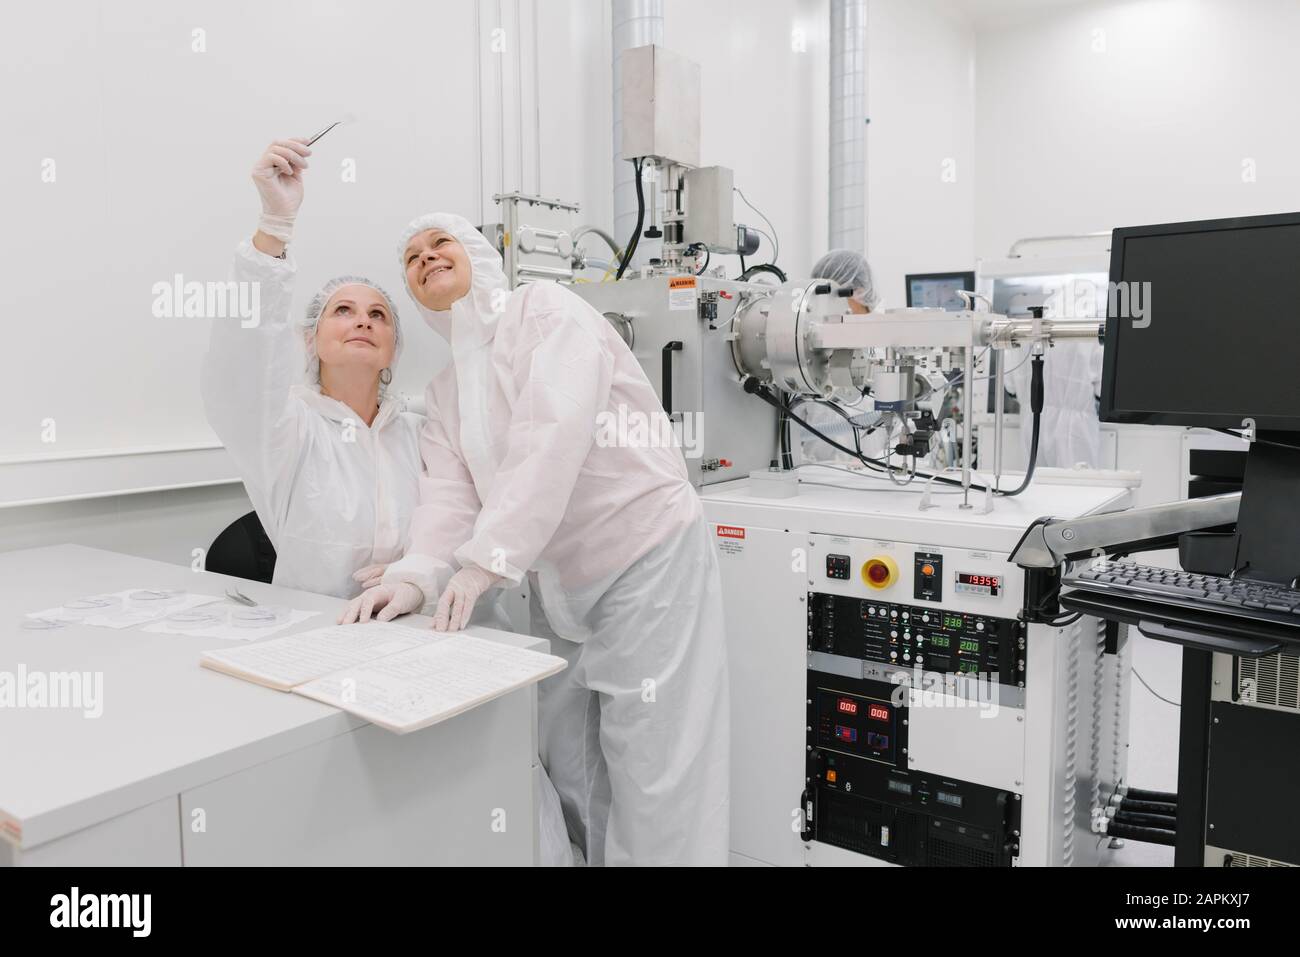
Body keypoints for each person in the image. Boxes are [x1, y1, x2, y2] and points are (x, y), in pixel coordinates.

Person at [202, 141, 574, 866]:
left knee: (503, 818)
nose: (363, 319)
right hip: (326, 666)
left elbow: (466, 518)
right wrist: (274, 232)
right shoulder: (284, 432)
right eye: (342, 310)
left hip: (442, 660)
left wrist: (421, 575)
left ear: (396, 345)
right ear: (310, 338)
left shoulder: (429, 428)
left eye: (379, 312)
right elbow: (240, 369)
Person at [341, 212, 730, 866]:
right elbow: (448, 497)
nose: (426, 257)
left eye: (440, 243)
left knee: (654, 766)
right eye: (411, 257)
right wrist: (416, 574)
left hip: (644, 561)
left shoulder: (546, 313)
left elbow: (552, 441)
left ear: (475, 254)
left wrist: (483, 563)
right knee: (573, 762)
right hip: (559, 587)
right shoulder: (444, 390)